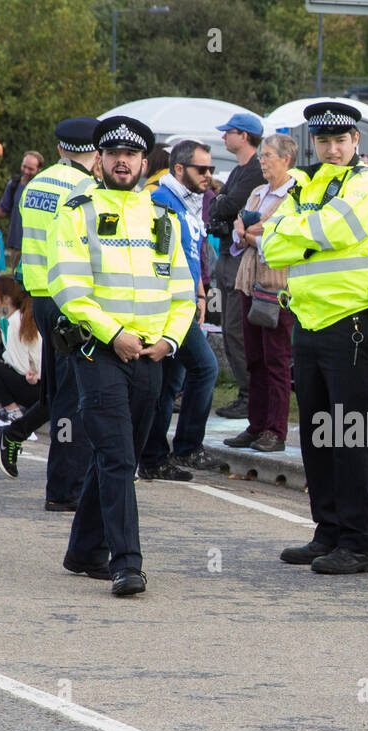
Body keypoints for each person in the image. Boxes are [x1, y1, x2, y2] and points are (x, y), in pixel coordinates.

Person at [48, 115, 195, 596]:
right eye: (113, 154)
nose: (122, 161)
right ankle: (126, 563)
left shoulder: (163, 219)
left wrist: (168, 342)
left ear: (144, 162)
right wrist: (114, 336)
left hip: (149, 357)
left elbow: (183, 294)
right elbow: (70, 289)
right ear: (99, 160)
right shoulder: (77, 213)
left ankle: (83, 550)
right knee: (117, 456)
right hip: (98, 351)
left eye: (131, 155)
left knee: (115, 457)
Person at [260, 102, 368, 574]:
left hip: (353, 323)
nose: (332, 149)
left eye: (341, 141)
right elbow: (270, 242)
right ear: (313, 143)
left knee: (351, 437)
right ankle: (328, 531)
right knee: (318, 436)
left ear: (357, 141)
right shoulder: (306, 184)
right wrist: (300, 233)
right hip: (310, 322)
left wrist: (295, 232)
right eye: (324, 142)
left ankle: (358, 543)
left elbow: (339, 228)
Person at [0, 119, 98, 496]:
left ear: (59, 149)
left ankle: (13, 432)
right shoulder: (87, 188)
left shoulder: (37, 183)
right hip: (69, 299)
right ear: (97, 153)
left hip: (40, 296)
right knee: (73, 397)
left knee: (58, 391)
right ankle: (65, 489)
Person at [142, 139, 220, 480]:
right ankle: (187, 447)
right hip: (169, 306)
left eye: (211, 169)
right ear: (178, 169)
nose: (208, 176)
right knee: (205, 368)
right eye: (201, 169)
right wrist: (179, 301)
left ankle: (155, 457)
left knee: (168, 384)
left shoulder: (191, 202)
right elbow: (160, 256)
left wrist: (200, 296)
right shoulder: (162, 200)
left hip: (187, 301)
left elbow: (192, 252)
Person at [222, 132, 300, 454]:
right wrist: (247, 234)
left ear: (286, 159)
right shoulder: (257, 192)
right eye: (262, 156)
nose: (262, 162)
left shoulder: (295, 195)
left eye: (267, 156)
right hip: (249, 282)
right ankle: (255, 425)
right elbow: (241, 232)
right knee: (253, 357)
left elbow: (280, 239)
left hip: (276, 285)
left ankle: (275, 429)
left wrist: (252, 234)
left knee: (276, 359)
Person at [209, 113, 266, 421]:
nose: (223, 138)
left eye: (227, 132)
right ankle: (247, 393)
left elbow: (229, 206)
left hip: (243, 258)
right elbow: (219, 205)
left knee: (236, 328)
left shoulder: (253, 171)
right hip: (230, 255)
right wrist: (221, 202)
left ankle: (250, 394)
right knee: (231, 329)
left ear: (243, 136)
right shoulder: (241, 170)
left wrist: (221, 203)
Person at [0, 275, 41, 420]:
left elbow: (21, 368)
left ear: (6, 299)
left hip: (35, 387)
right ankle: (2, 409)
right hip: (33, 384)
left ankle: (13, 412)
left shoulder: (16, 322)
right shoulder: (10, 319)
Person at [0, 151, 42, 274]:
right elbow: (2, 211)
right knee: (15, 286)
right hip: (16, 245)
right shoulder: (14, 185)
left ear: (39, 169)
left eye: (30, 169)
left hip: (36, 248)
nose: (26, 171)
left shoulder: (42, 188)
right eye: (24, 167)